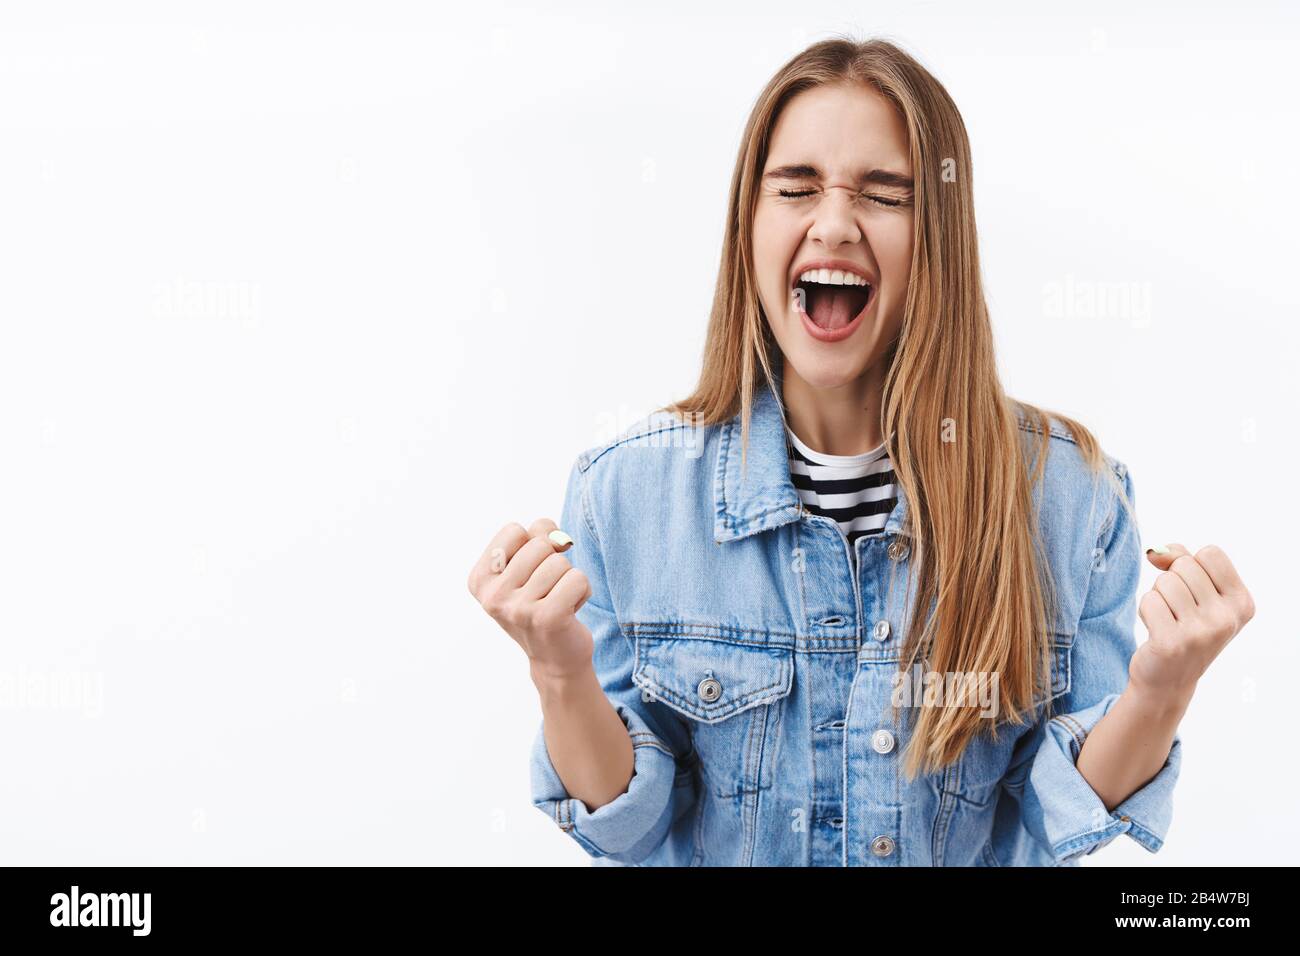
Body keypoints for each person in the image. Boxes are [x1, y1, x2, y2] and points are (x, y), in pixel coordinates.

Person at [466, 36, 1256, 866]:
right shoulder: (625, 494)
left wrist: (1163, 688)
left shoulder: (1070, 498)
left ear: (939, 238)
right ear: (751, 226)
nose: (834, 223)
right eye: (796, 187)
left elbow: (1062, 814)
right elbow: (629, 825)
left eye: (885, 195)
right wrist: (559, 671)